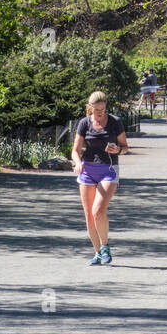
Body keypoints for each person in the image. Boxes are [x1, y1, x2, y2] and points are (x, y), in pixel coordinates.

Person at [72, 91, 129, 265]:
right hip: (87, 170)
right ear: (90, 108)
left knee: (98, 210)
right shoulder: (84, 123)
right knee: (89, 216)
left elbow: (125, 147)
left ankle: (105, 247)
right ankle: (97, 253)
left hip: (109, 169)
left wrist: (118, 150)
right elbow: (75, 150)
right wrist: (78, 162)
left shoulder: (115, 122)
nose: (100, 113)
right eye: (97, 110)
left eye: (103, 109)